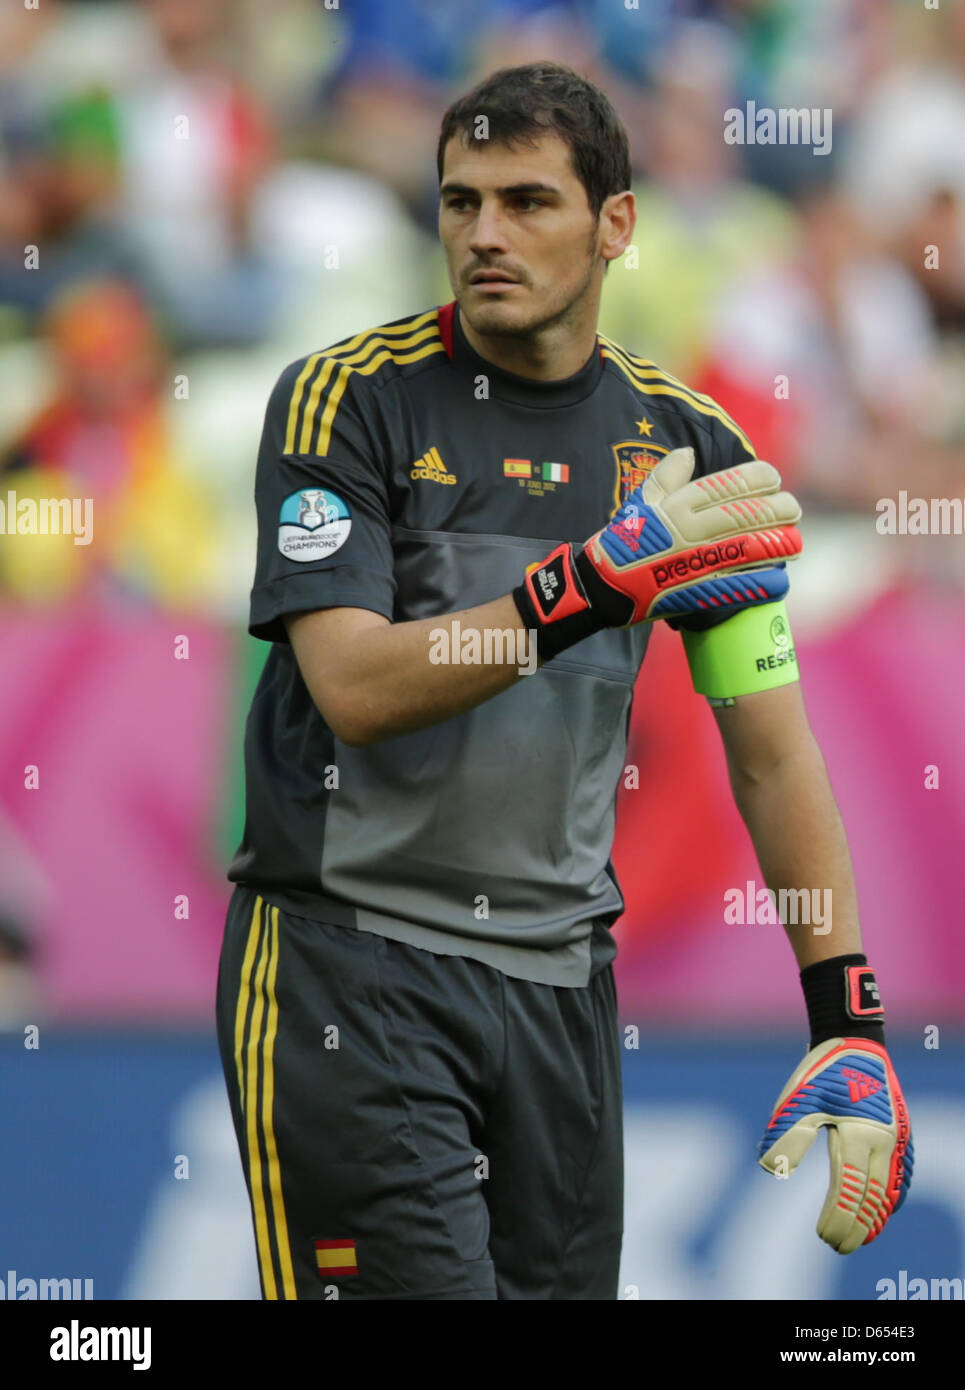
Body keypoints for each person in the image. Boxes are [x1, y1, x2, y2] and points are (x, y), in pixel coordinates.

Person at [215, 62, 912, 1301]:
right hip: (349, 969)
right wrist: (586, 583)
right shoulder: (344, 401)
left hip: (561, 989)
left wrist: (846, 1018)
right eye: (460, 201)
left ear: (614, 224)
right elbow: (353, 688)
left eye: (527, 201)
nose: (484, 233)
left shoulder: (689, 447)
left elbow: (770, 751)